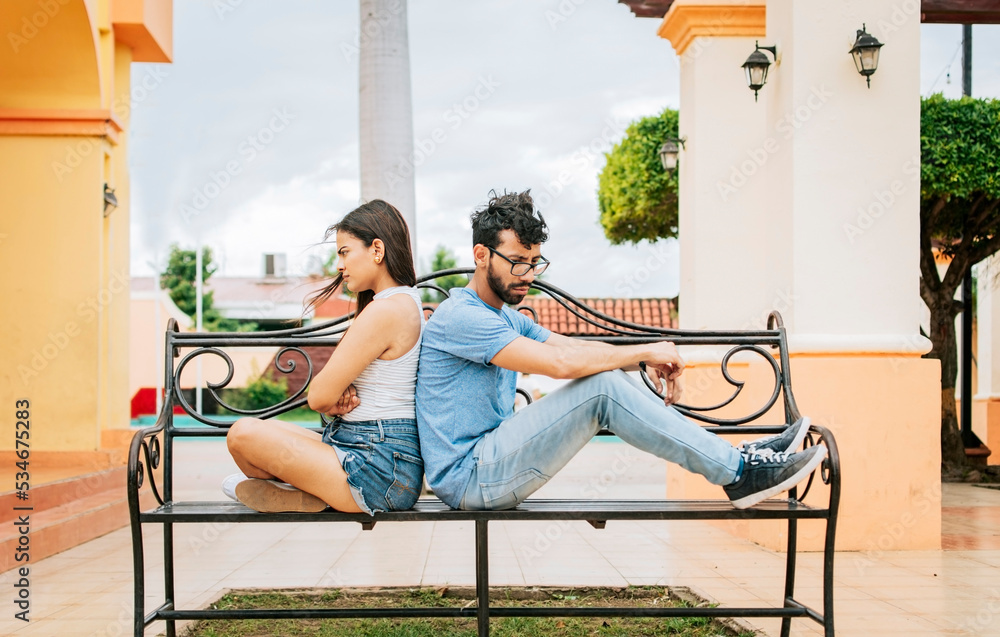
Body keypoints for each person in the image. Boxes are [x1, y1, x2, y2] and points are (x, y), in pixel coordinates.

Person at [415, 190, 826, 511]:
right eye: (518, 262)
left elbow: (572, 347)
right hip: (469, 477)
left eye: (536, 263)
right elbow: (561, 365)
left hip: (491, 461)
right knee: (603, 389)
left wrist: (641, 354)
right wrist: (642, 352)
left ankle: (738, 460)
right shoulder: (461, 317)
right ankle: (739, 473)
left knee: (606, 378)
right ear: (481, 255)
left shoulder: (508, 317)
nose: (528, 275)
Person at [223, 200, 425, 514]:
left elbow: (317, 396)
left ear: (376, 250)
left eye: (344, 252)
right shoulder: (404, 301)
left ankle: (305, 490)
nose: (339, 265)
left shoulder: (385, 310)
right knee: (252, 433)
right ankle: (306, 492)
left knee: (241, 435)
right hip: (375, 456)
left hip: (378, 472)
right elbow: (327, 396)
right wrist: (332, 401)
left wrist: (330, 400)